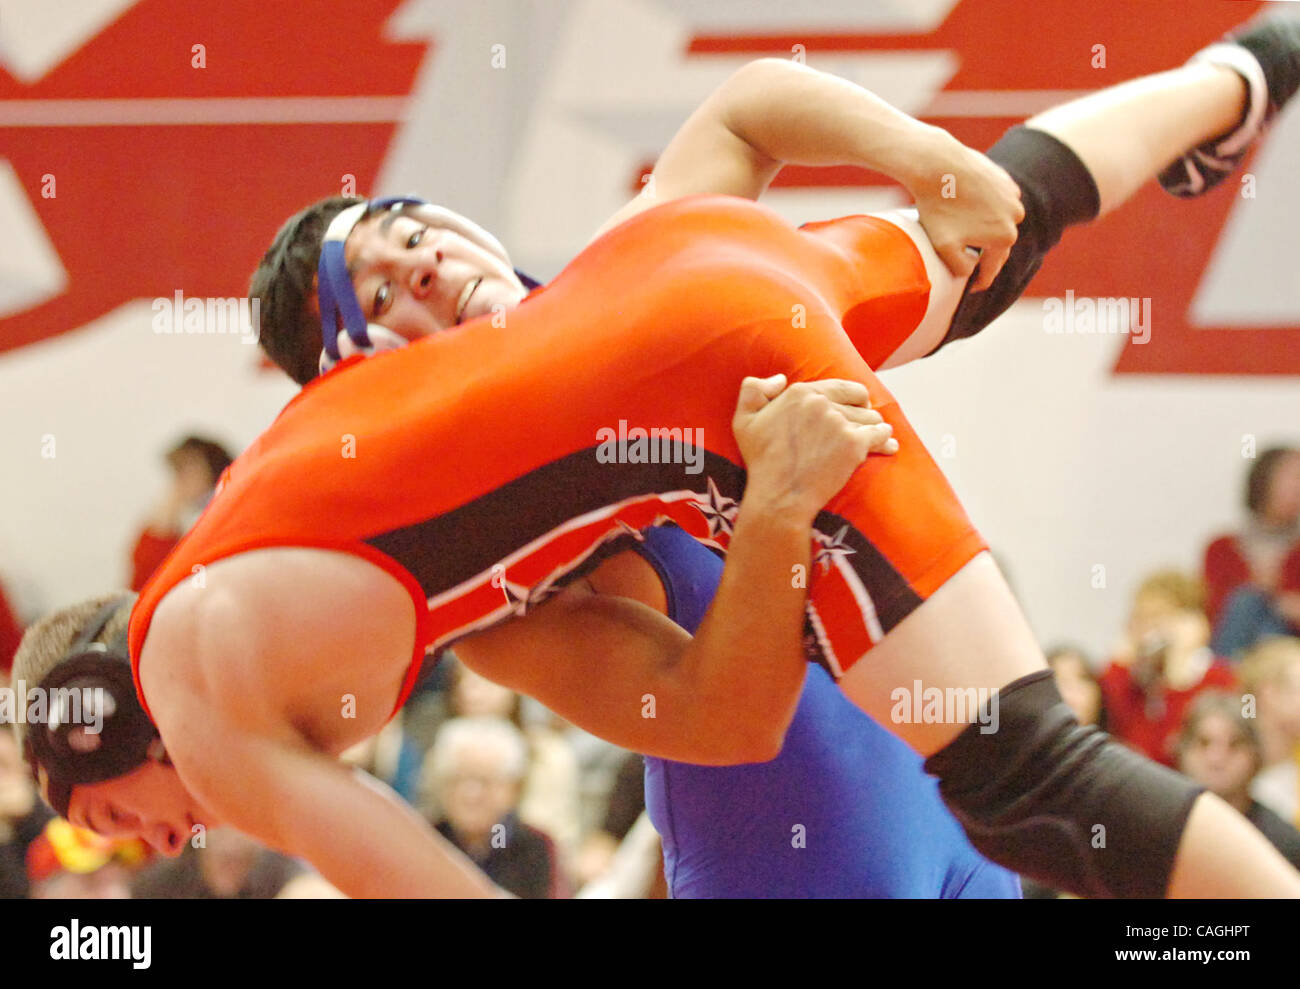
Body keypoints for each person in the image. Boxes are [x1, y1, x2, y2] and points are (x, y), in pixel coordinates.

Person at [15, 17, 1300, 899]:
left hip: (859, 769)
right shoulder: (441, 539)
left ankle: (1240, 75)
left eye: (403, 230)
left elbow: (746, 106)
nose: (421, 266)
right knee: (986, 250)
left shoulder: (583, 310)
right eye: (378, 289)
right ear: (363, 374)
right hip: (811, 830)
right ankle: (1243, 74)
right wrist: (783, 502)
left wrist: (928, 156)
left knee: (1036, 774)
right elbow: (713, 718)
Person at [1100, 571, 1236, 766]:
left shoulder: (1219, 678)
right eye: (1140, 618)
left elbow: (1174, 756)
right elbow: (1114, 734)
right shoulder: (1136, 680)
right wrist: (1119, 664)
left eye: (1157, 617)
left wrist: (1176, 678)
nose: (1147, 630)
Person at [1175, 691, 1300, 870]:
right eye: (1203, 743)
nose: (1216, 759)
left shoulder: (1285, 844)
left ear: (1255, 754)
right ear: (1183, 750)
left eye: (1234, 744)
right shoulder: (1159, 830)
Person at [1204, 446, 1300, 657]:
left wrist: (1282, 603)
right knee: (1248, 601)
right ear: (1265, 481)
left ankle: (1224, 680)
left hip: (1290, 650)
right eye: (1293, 478)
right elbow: (1214, 611)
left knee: (1268, 625)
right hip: (1237, 639)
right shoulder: (1221, 548)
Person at [128, 436, 235, 591]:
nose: (179, 481)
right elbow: (142, 579)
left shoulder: (220, 515)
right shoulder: (181, 517)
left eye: (186, 470)